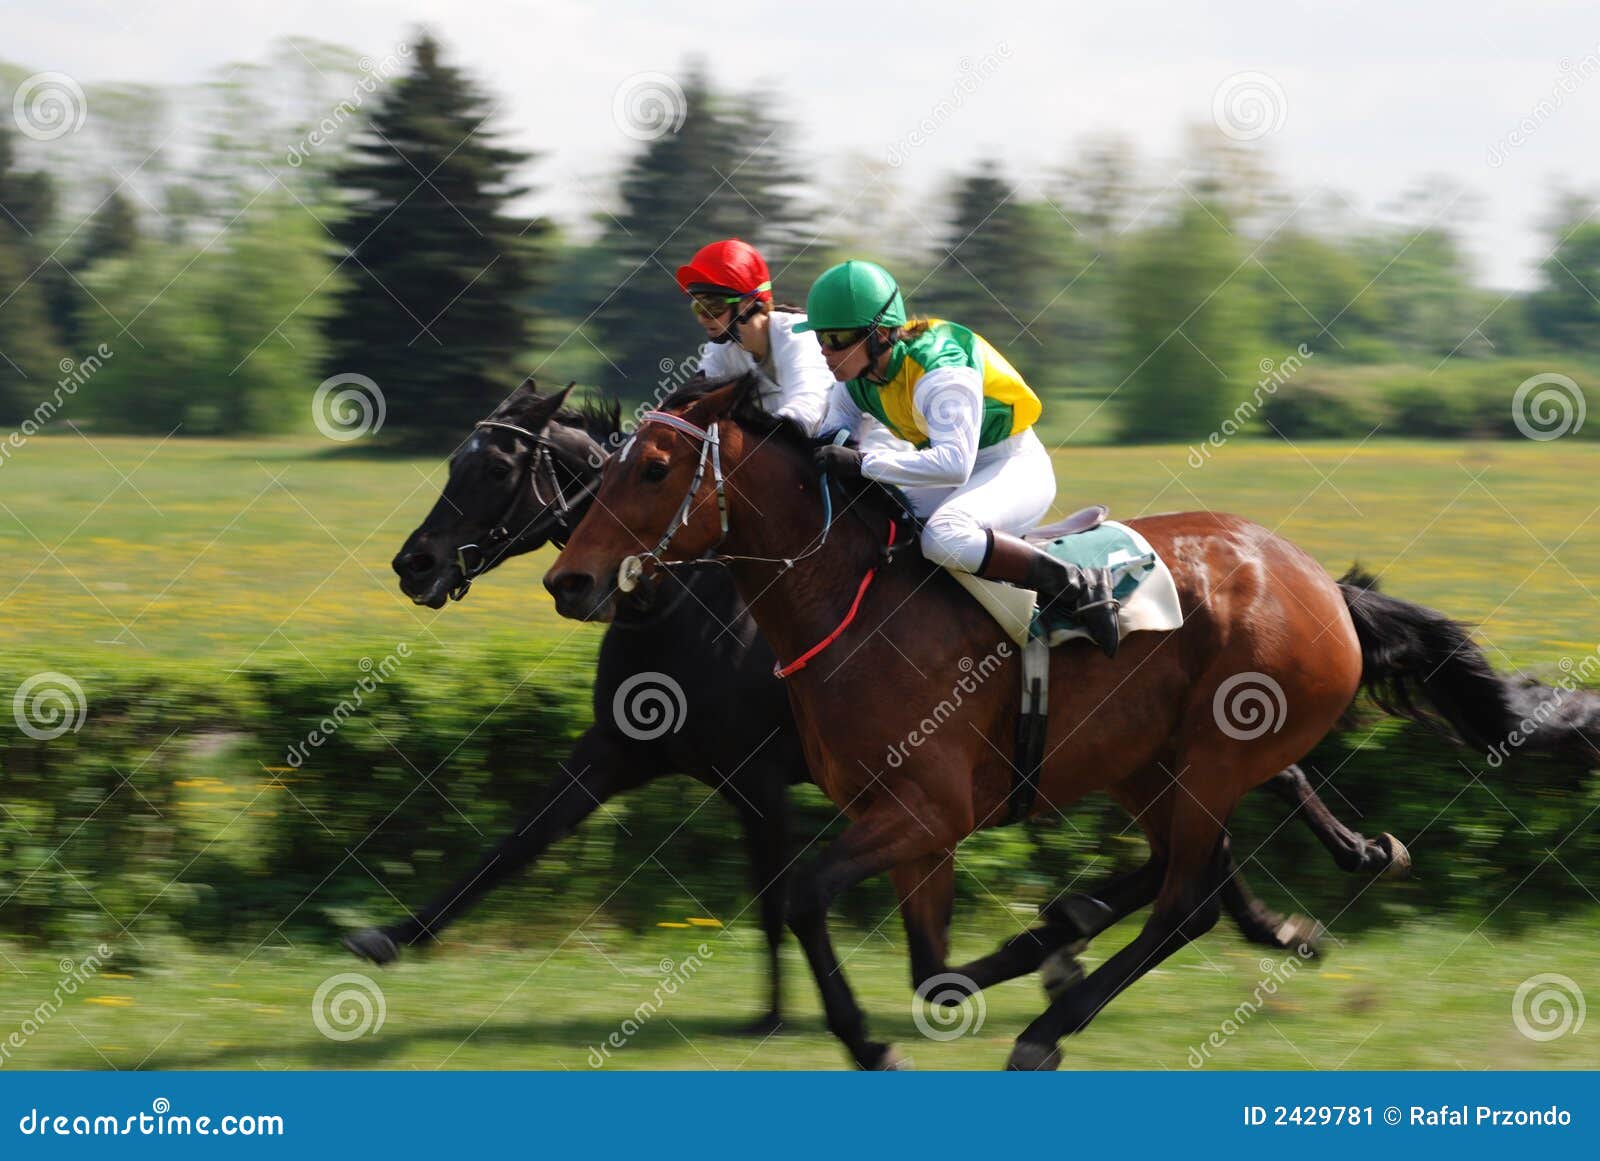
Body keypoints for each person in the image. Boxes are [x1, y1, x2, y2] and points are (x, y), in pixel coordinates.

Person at [797, 259, 1120, 657]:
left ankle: (1079, 584)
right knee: (871, 515)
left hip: (1013, 465)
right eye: (820, 340)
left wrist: (862, 464)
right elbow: (830, 438)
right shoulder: (858, 380)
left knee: (943, 538)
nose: (826, 352)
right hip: (953, 471)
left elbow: (953, 463)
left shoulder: (940, 368)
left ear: (879, 333)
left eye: (837, 338)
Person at [675, 239, 835, 436]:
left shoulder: (798, 337)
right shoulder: (720, 350)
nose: (701, 318)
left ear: (748, 304)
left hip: (861, 451)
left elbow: (807, 411)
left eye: (712, 306)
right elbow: (691, 405)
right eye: (697, 306)